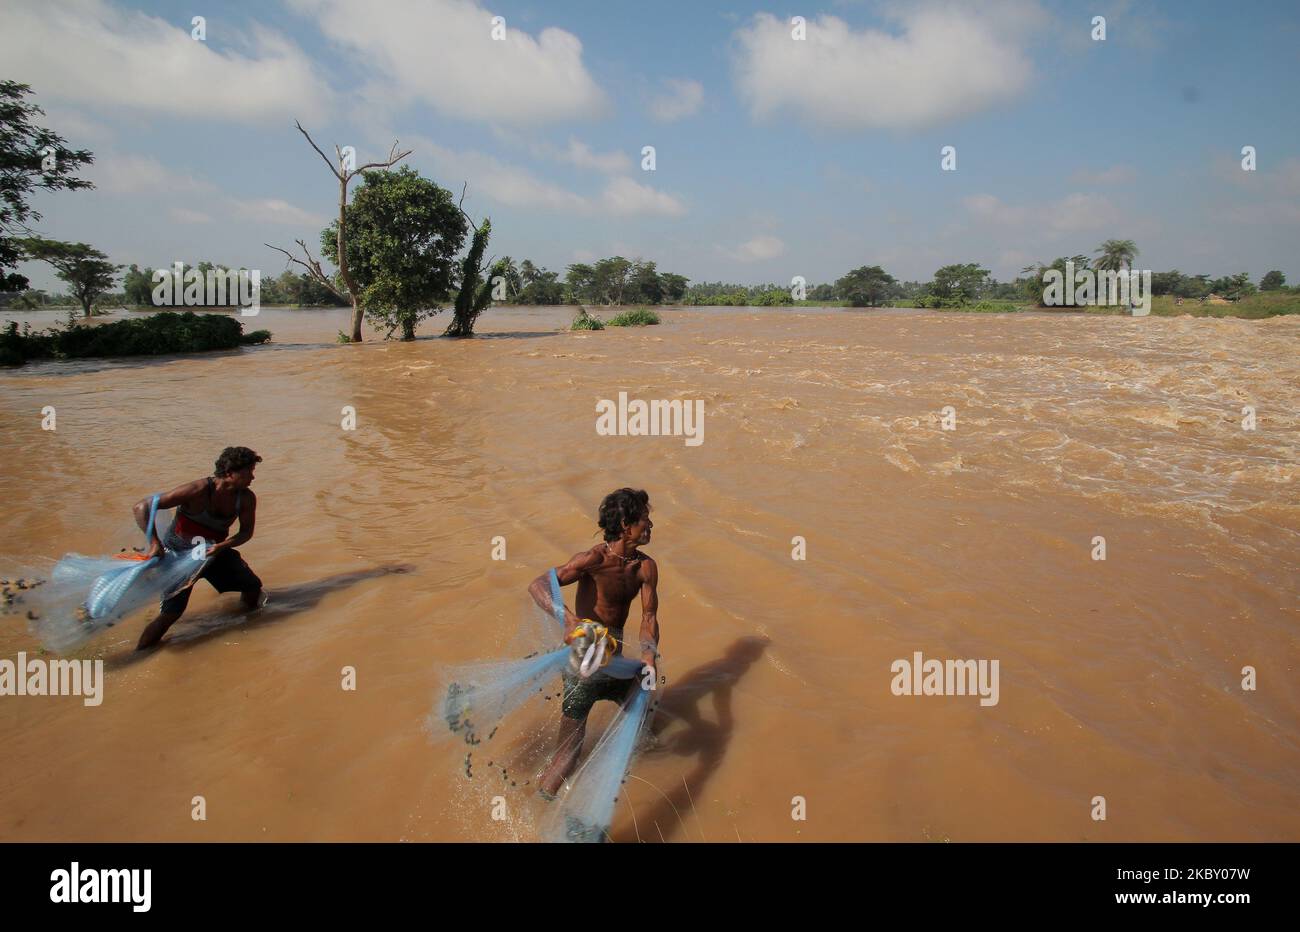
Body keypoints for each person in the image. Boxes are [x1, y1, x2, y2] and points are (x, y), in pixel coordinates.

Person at [528, 488, 660, 798]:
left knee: (641, 714)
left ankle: (625, 771)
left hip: (615, 663)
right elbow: (538, 584)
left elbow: (649, 617)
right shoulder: (594, 558)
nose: (651, 526)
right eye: (645, 520)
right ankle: (539, 808)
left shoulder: (645, 567)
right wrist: (568, 619)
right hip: (584, 666)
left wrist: (648, 655)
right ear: (627, 525)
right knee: (569, 754)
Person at [133, 447, 263, 649]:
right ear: (230, 473)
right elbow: (141, 507)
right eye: (249, 471)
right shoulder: (197, 490)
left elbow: (246, 532)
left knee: (252, 587)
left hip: (214, 554)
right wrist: (155, 544)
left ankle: (245, 625)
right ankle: (138, 655)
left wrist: (222, 546)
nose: (253, 477)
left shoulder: (245, 498)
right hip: (178, 557)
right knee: (171, 615)